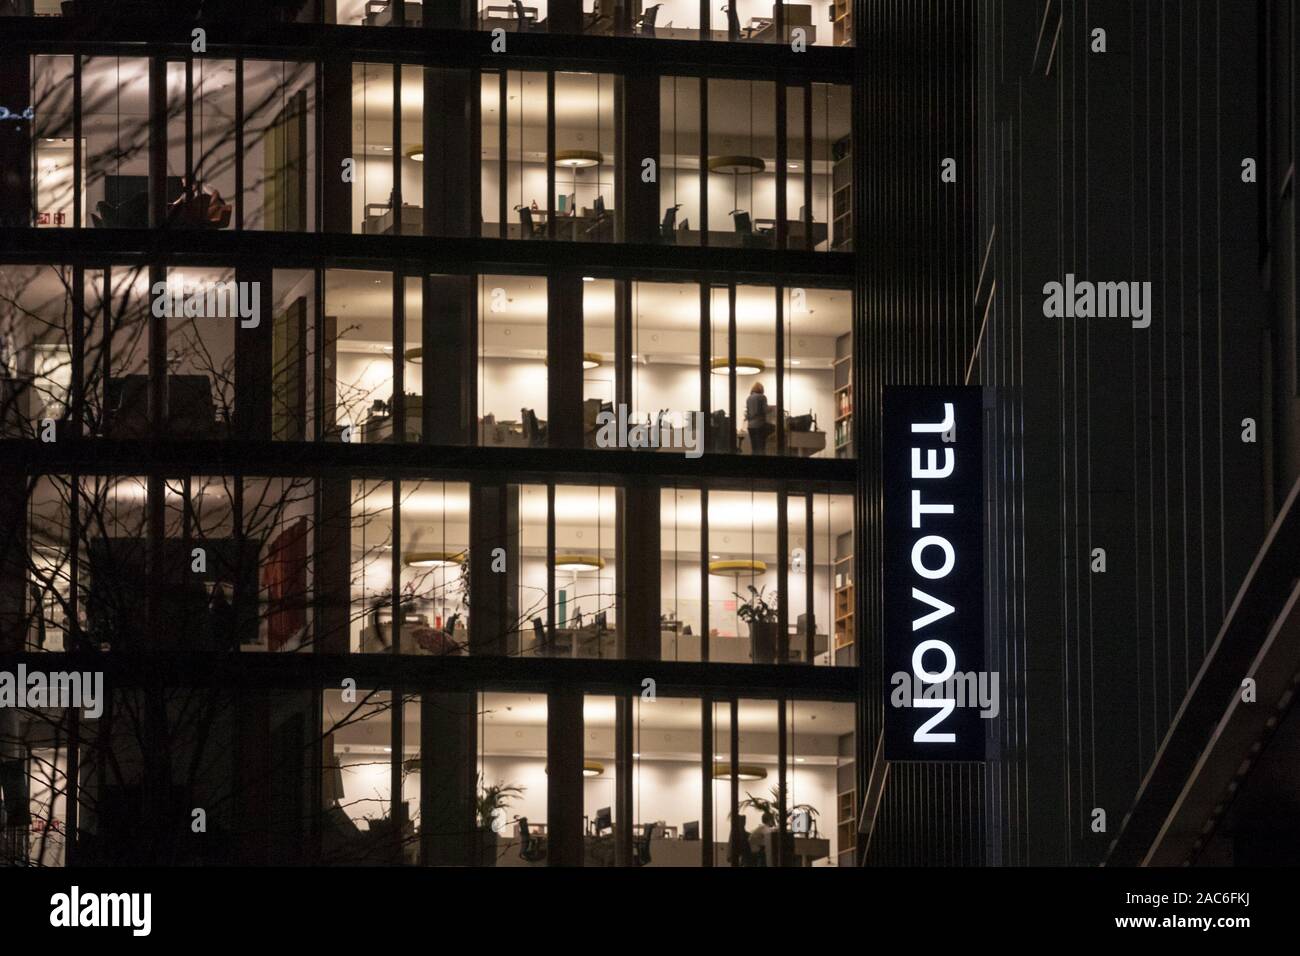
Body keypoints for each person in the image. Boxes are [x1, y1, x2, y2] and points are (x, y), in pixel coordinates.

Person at [745, 381, 771, 455]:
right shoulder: (762, 397)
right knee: (761, 447)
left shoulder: (748, 398)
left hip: (750, 426)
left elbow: (748, 412)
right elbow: (765, 410)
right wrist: (772, 409)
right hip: (760, 425)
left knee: (754, 447)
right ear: (761, 389)